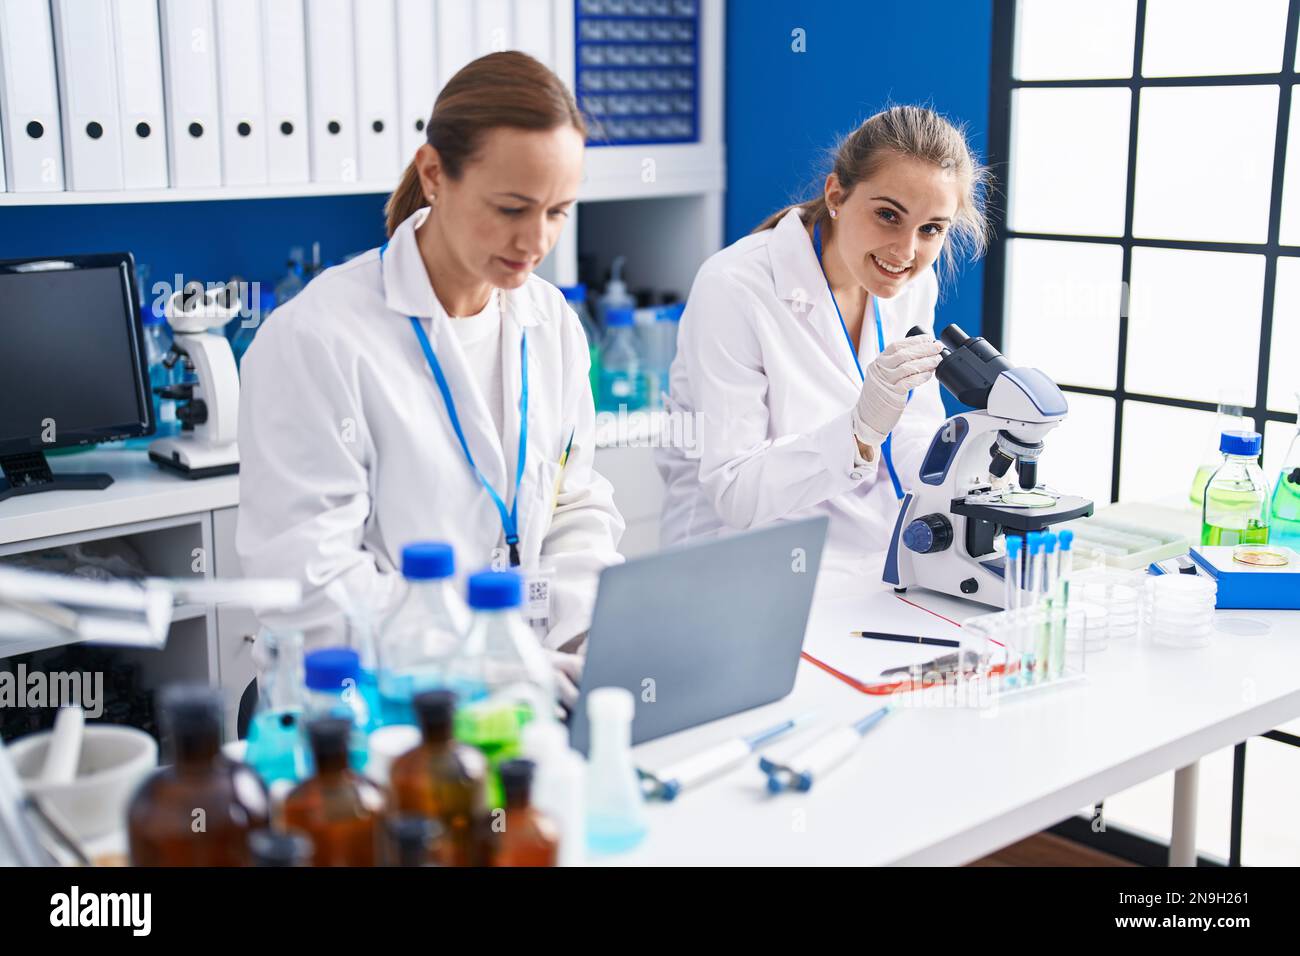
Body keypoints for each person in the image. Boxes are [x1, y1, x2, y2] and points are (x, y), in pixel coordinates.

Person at [237, 53, 623, 690]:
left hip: (520, 689)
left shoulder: (548, 319)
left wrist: (586, 638)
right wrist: (493, 661)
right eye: (510, 208)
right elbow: (311, 589)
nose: (534, 242)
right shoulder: (315, 340)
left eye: (557, 212)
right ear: (435, 173)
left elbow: (573, 503)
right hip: (366, 699)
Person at [656, 105, 990, 594]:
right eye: (887, 215)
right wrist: (859, 432)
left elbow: (913, 430)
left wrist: (973, 471)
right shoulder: (735, 286)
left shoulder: (914, 284)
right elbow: (736, 494)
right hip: (742, 566)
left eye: (931, 229)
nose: (905, 251)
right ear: (836, 194)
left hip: (866, 559)